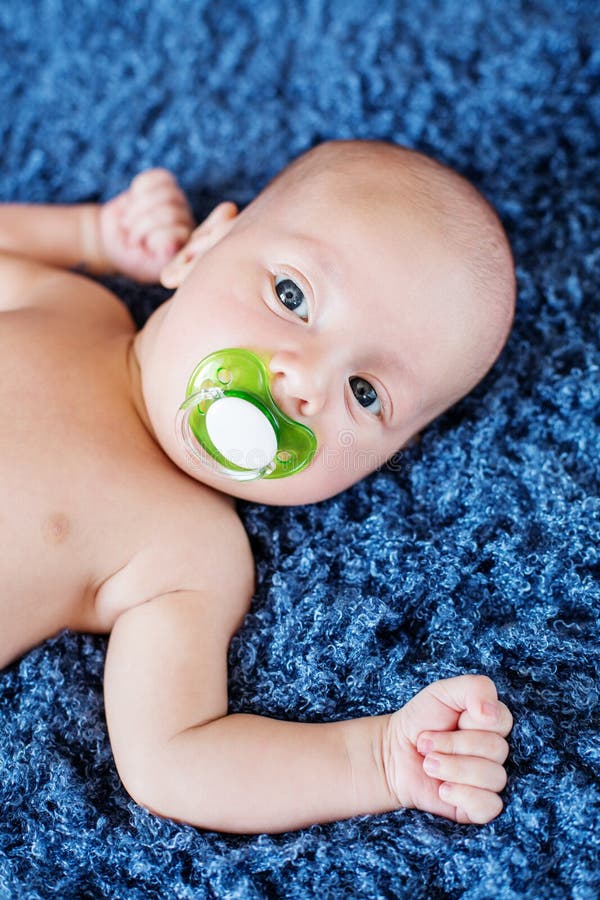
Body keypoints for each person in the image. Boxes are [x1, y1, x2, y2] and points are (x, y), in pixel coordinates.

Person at [0, 140, 515, 834]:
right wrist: (89, 235)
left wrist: (379, 761)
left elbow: (173, 758)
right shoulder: (71, 304)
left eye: (364, 393)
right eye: (292, 296)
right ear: (198, 248)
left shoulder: (185, 553)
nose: (303, 382)